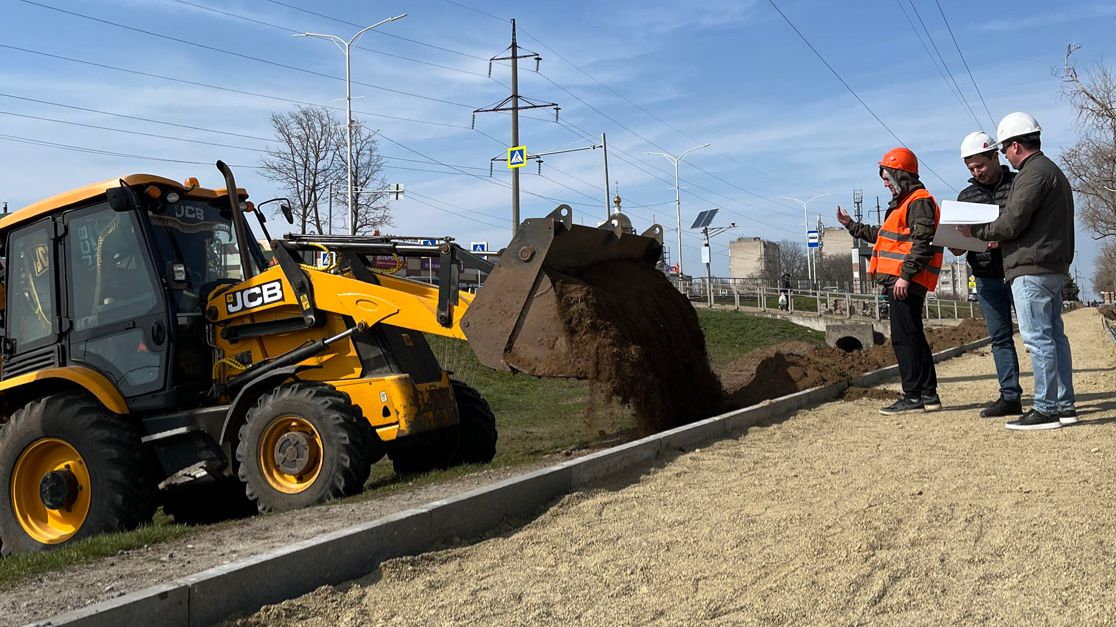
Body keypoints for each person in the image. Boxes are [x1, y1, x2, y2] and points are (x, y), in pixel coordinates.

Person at [959, 112, 1076, 431]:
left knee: (1038, 339)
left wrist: (978, 234)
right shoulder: (1050, 171)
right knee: (1053, 337)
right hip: (1048, 265)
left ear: (1012, 146)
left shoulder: (1030, 174)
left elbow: (1012, 222)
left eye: (1003, 149)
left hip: (1030, 267)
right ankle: (1064, 405)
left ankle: (1046, 409)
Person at [837, 147, 943, 415]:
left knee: (904, 339)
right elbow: (881, 235)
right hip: (903, 280)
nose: (885, 183)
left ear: (900, 174)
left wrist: (905, 276)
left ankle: (912, 397)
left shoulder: (918, 202)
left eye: (886, 176)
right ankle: (928, 394)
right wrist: (851, 225)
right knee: (914, 336)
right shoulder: (905, 204)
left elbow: (923, 242)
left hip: (904, 281)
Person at [952, 131, 1023, 418]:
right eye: (970, 168)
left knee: (1033, 336)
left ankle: (1050, 397)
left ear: (996, 156)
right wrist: (956, 244)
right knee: (1000, 338)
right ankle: (1010, 396)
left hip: (1018, 271)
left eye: (980, 165)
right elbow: (958, 246)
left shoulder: (1018, 184)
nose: (976, 172)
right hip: (985, 275)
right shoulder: (966, 197)